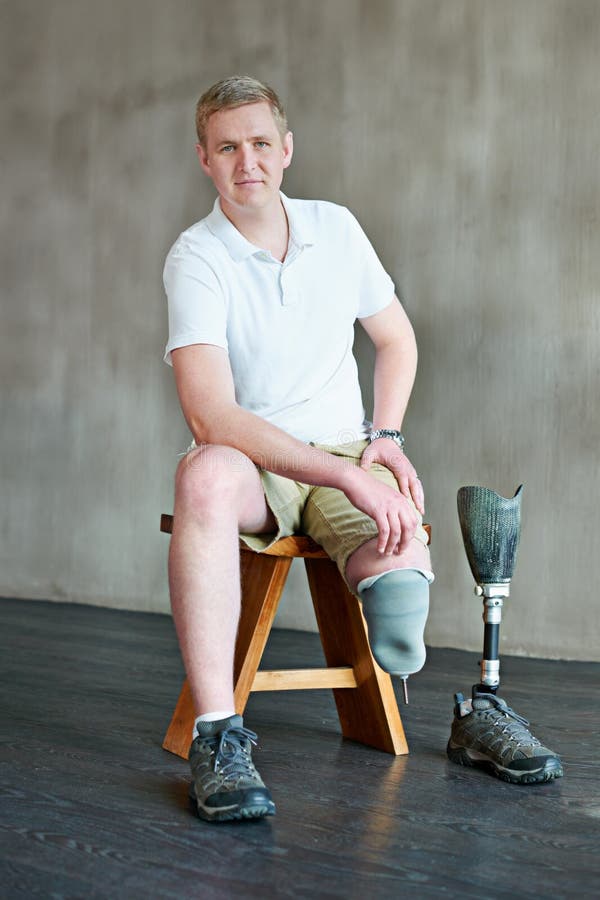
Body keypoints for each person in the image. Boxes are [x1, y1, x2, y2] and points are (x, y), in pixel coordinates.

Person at [162, 76, 558, 824]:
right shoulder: (197, 256)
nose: (246, 161)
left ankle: (474, 714)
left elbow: (395, 339)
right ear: (204, 159)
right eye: (227, 147)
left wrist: (385, 441)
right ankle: (217, 737)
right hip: (256, 464)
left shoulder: (334, 229)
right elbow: (212, 416)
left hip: (348, 453)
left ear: (286, 149)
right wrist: (349, 478)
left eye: (259, 143)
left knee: (402, 614)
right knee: (204, 475)